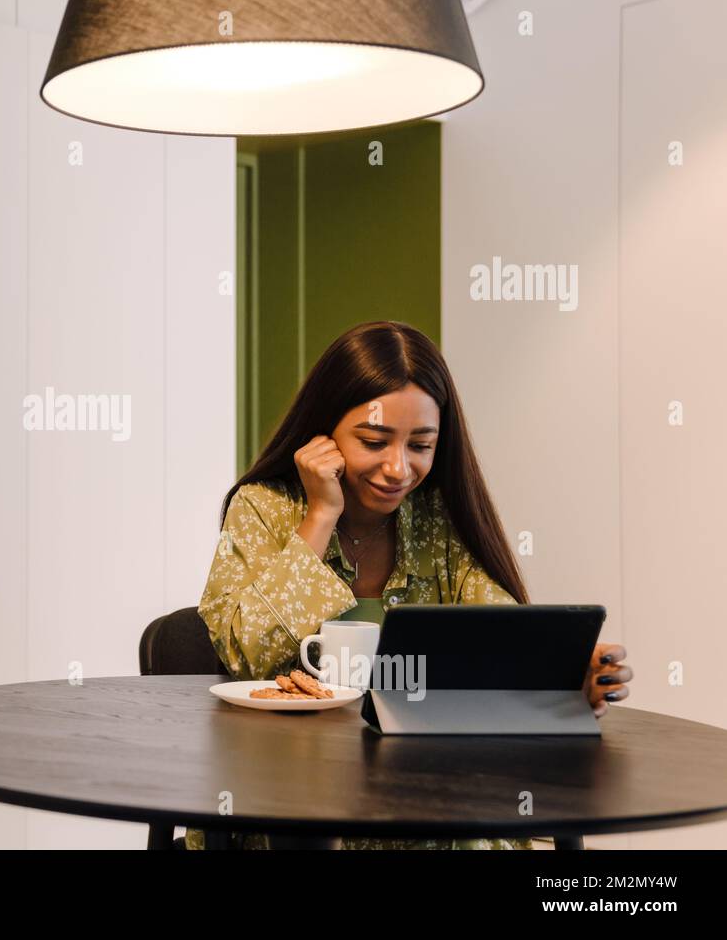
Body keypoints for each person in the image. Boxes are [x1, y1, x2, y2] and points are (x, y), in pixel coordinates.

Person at [185, 321, 632, 850]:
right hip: (291, 809)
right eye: (374, 441)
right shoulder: (263, 508)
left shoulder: (437, 520)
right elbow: (248, 656)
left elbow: (502, 635)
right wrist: (322, 515)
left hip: (427, 799)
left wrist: (563, 676)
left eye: (421, 445)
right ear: (323, 434)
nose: (399, 468)